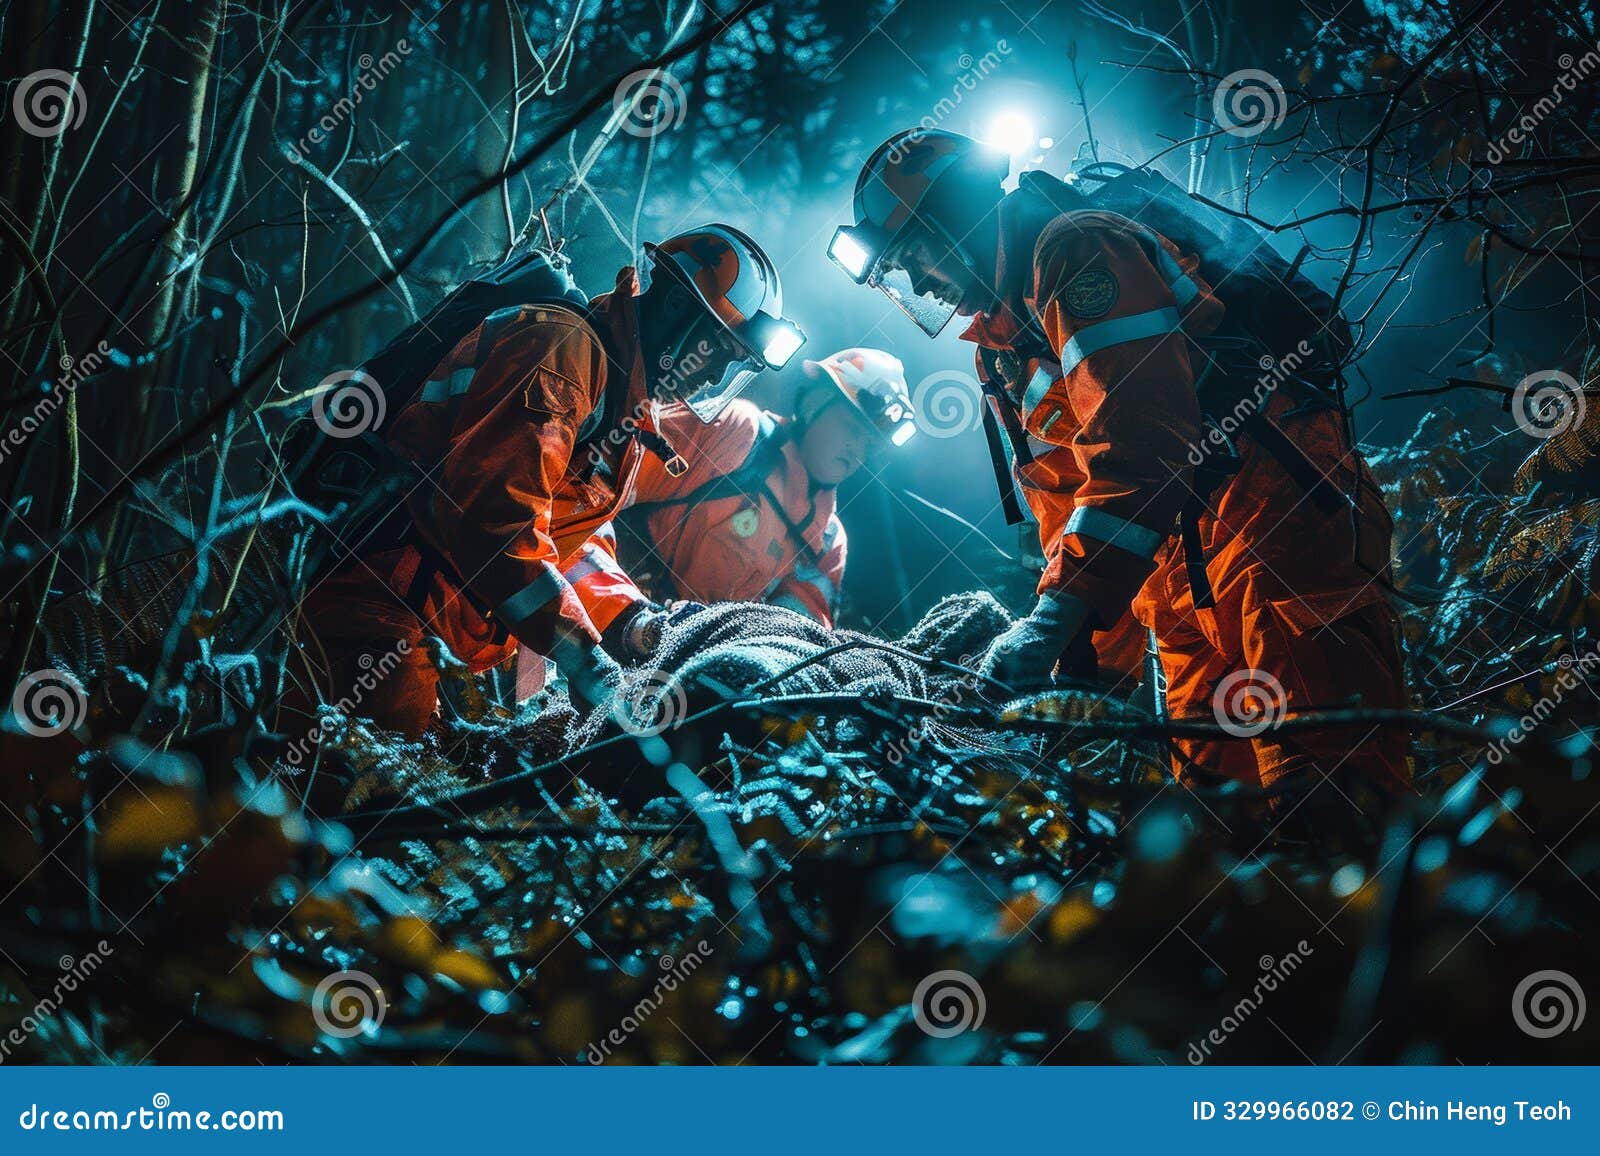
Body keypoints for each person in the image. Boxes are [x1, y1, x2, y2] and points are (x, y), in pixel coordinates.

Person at [827, 129, 1409, 805]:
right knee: (1225, 824)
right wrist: (1077, 654)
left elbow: (1144, 442)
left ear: (954, 211)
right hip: (1179, 583)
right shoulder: (1000, 350)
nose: (918, 282)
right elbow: (1066, 505)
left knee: (1333, 793)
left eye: (914, 256)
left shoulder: (1077, 248)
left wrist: (1057, 617)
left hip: (1275, 524)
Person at [293, 224, 805, 738]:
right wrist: (585, 659)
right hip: (378, 609)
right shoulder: (560, 353)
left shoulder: (621, 407)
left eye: (733, 363)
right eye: (718, 350)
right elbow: (497, 525)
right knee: (359, 776)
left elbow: (566, 543)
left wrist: (633, 623)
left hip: (440, 633)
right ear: (676, 308)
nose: (714, 376)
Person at [588, 348, 913, 640]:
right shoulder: (741, 432)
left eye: (870, 444)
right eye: (852, 429)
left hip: (688, 660)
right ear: (815, 402)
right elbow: (597, 482)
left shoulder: (828, 542)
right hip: (606, 613)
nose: (857, 451)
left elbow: (789, 643)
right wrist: (631, 615)